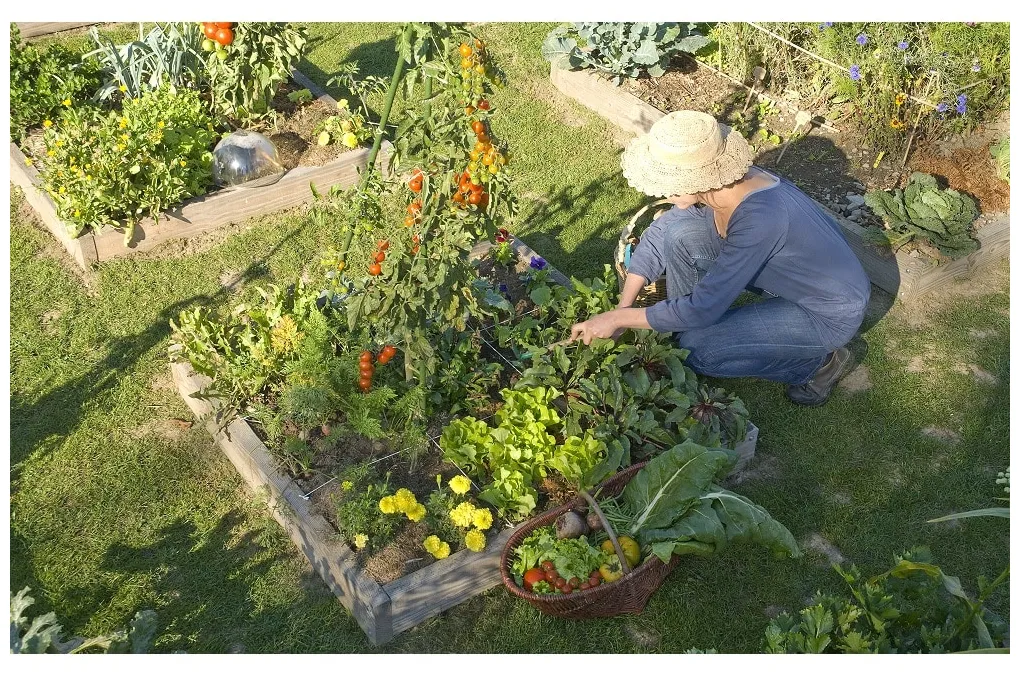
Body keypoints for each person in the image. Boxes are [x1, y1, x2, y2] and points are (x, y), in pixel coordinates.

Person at [569, 110, 871, 406]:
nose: (664, 192)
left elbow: (704, 309)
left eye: (670, 185)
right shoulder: (726, 187)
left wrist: (619, 319)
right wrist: (624, 306)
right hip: (796, 282)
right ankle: (680, 331)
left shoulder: (759, 218)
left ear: (697, 179)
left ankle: (819, 365)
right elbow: (663, 231)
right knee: (679, 233)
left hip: (826, 312)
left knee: (700, 352)